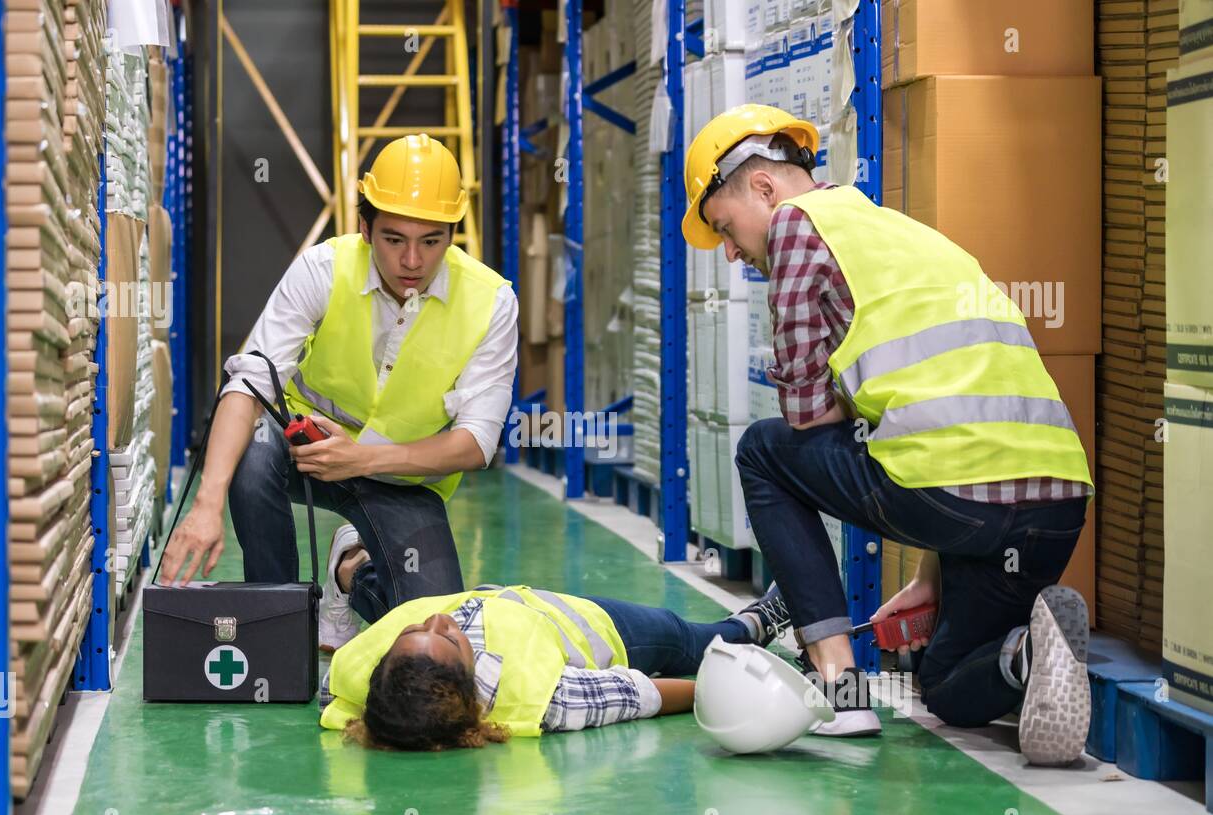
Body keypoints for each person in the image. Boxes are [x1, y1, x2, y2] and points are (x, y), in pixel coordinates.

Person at [682, 104, 1094, 764]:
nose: (730, 253)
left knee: (762, 451)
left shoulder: (795, 227)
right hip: (1054, 505)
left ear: (763, 188)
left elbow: (806, 416)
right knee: (945, 685)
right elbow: (949, 409)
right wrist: (933, 571)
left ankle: (841, 687)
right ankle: (1027, 653)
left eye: (725, 229)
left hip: (952, 493)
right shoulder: (902, 234)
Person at [157, 135, 519, 653]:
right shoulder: (323, 270)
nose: (413, 260)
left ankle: (351, 572)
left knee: (429, 623)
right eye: (394, 239)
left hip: (403, 477)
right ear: (365, 227)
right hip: (304, 452)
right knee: (254, 453)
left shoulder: (492, 303)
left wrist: (363, 458)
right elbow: (250, 381)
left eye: (432, 241)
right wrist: (206, 505)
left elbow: (475, 444)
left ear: (452, 234)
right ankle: (277, 622)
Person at [320, 585, 794, 751]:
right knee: (686, 640)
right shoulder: (546, 699)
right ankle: (753, 625)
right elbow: (640, 694)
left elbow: (332, 692)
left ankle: (352, 568)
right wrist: (715, 690)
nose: (438, 619)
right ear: (472, 689)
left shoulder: (362, 676)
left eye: (415, 630)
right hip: (592, 626)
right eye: (448, 639)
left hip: (509, 597)